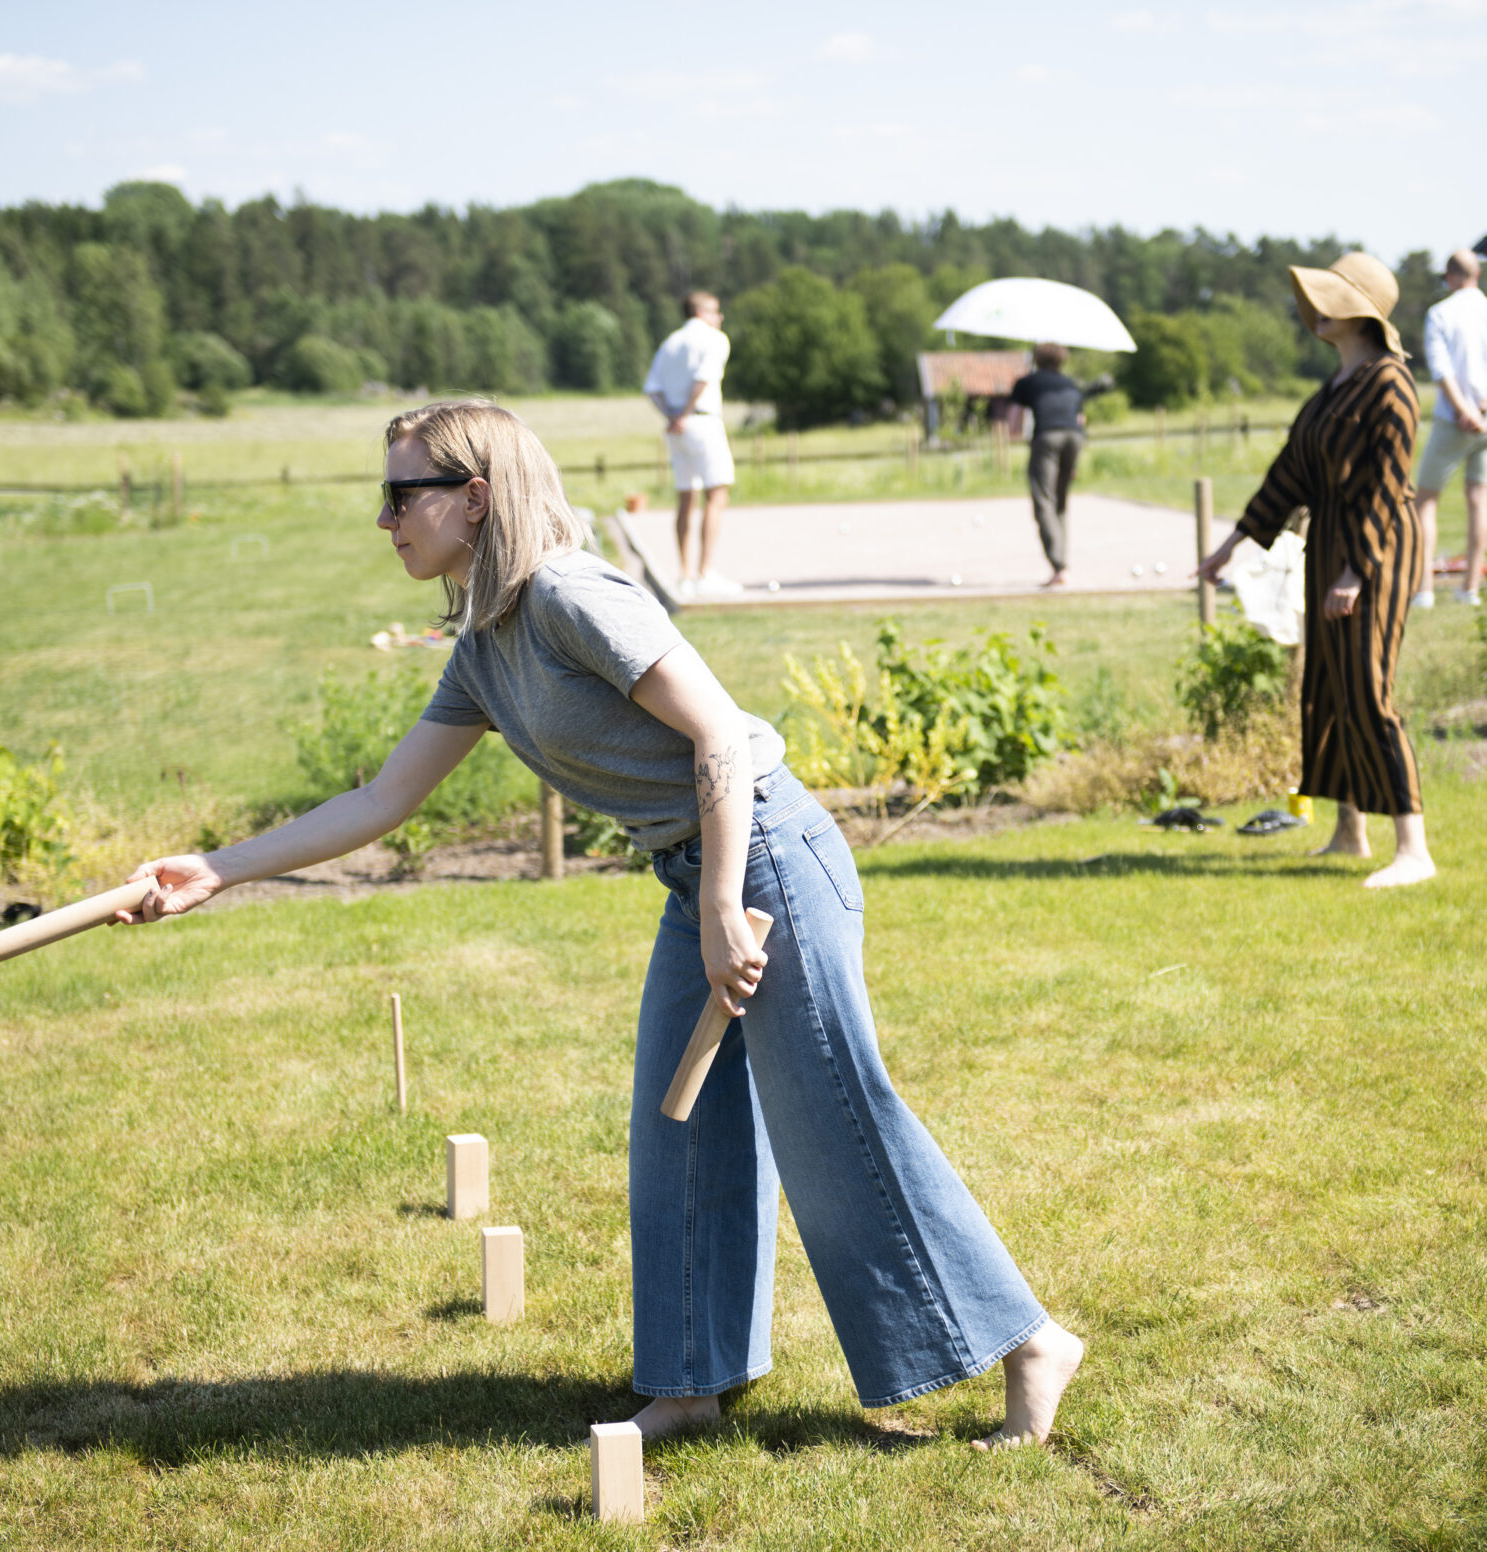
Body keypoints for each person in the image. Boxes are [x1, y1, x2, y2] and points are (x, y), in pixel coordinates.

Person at [115, 400, 1085, 1450]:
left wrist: (722, 907)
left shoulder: (571, 595)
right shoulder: (485, 646)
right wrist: (214, 869)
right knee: (678, 1126)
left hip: (764, 857)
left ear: (474, 499)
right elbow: (380, 803)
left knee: (833, 1119)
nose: (383, 517)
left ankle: (1028, 1343)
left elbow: (717, 732)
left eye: (402, 494)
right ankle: (688, 1382)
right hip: (697, 869)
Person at [1197, 252, 1431, 889]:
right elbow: (1288, 477)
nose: (1316, 308)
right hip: (1326, 541)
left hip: (1375, 546)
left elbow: (1388, 484)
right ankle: (1349, 832)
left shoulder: (1391, 382)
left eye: (1330, 297)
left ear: (1359, 311)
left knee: (1367, 683)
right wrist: (1232, 546)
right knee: (1326, 687)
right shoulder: (1330, 391)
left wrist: (1357, 570)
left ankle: (1413, 847)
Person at [1413, 248, 1487, 608]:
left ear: (1450, 277)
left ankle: (1424, 590)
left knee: (1425, 501)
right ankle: (1470, 590)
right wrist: (1484, 406)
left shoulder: (1440, 313)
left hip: (1453, 420)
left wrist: (1465, 411)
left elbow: (1441, 370)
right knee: (1479, 500)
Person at [643, 291, 736, 601]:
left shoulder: (670, 343)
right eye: (715, 310)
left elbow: (652, 389)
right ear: (700, 311)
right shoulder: (715, 338)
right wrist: (684, 413)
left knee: (686, 497)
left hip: (677, 428)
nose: (719, 317)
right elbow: (704, 378)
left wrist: (672, 416)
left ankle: (684, 574)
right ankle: (704, 572)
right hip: (703, 421)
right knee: (717, 493)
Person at [1005, 343, 1112, 587]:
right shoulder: (1070, 383)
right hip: (1074, 438)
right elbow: (1080, 419)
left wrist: (1020, 432)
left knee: (1044, 500)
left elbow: (1013, 423)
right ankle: (1062, 563)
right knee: (1061, 502)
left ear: (1036, 359)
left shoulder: (1027, 382)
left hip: (1047, 437)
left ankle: (1058, 566)